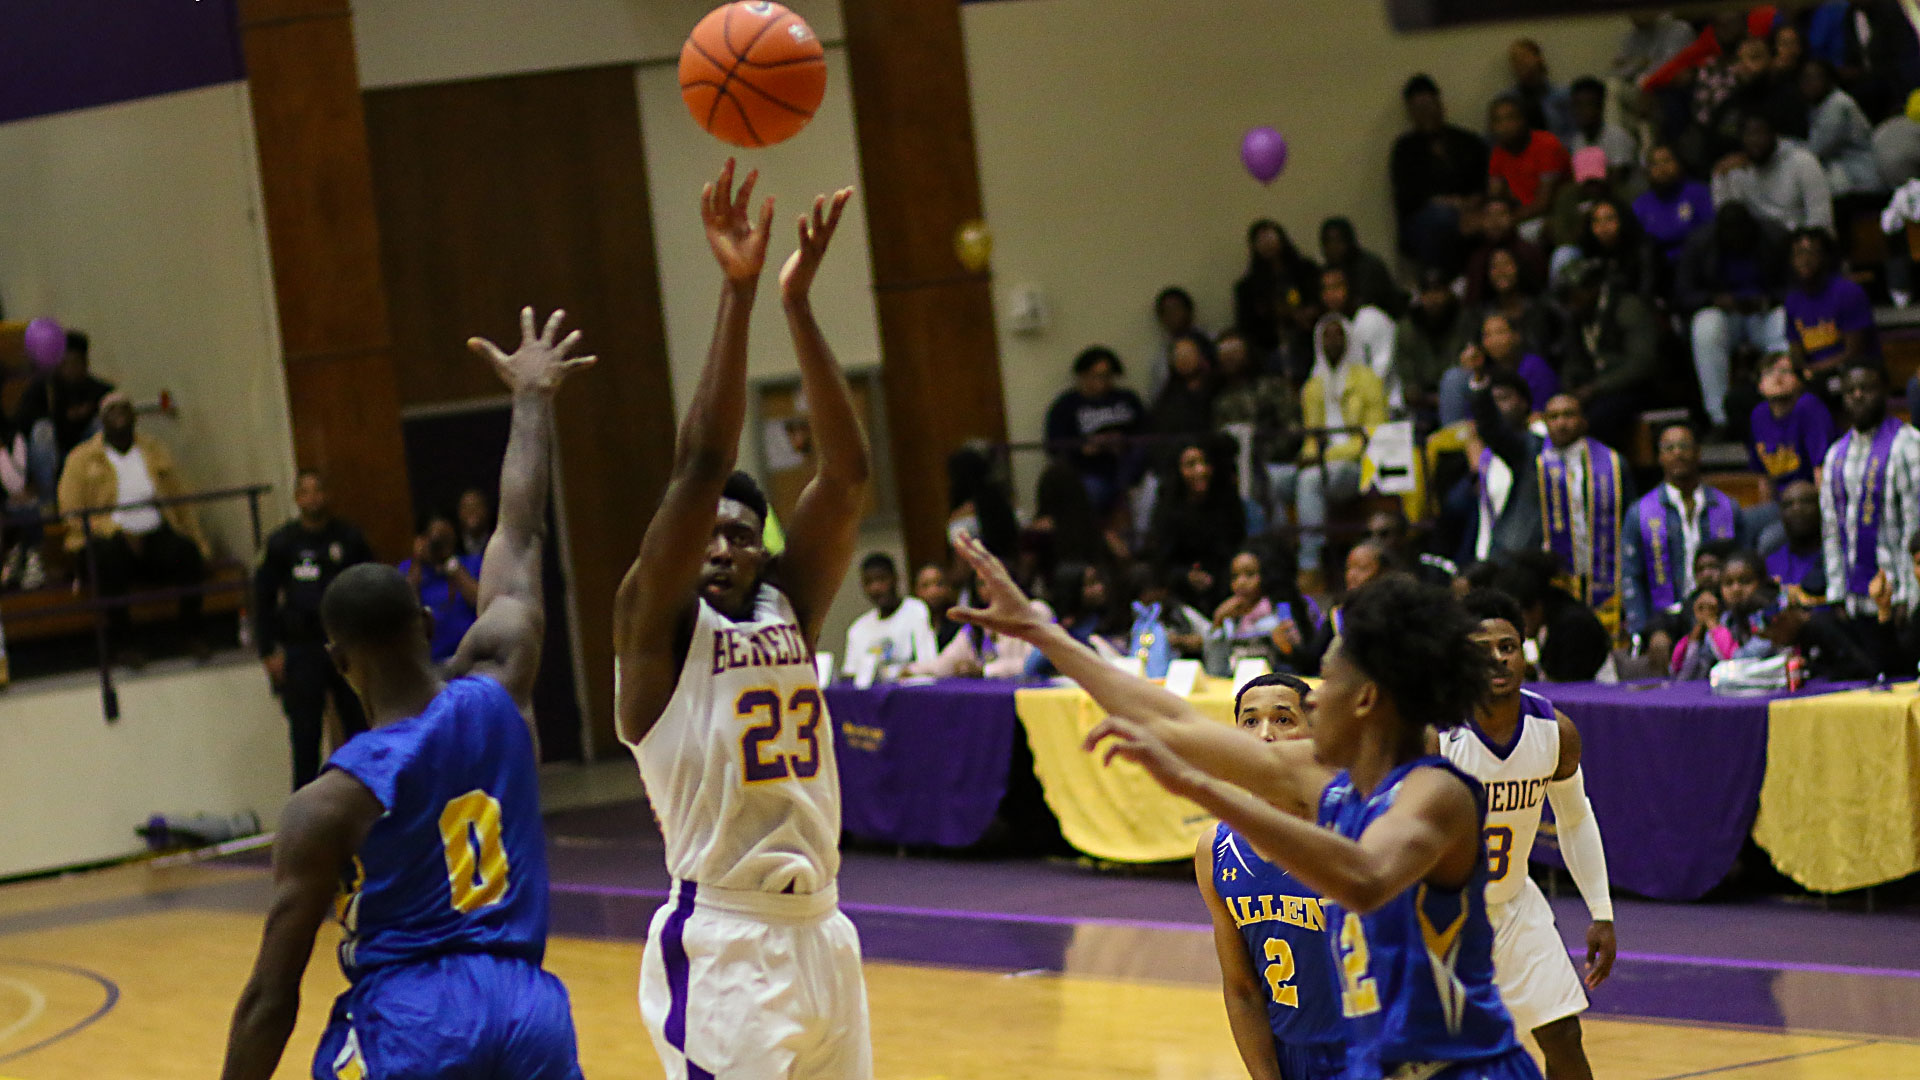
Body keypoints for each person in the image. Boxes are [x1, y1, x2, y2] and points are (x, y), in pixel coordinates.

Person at [940, 540, 1538, 1080]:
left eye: (1324, 682)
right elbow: (1169, 718)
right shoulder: (1319, 781)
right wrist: (1046, 636)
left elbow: (1365, 877)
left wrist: (1198, 785)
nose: (1314, 697)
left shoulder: (1435, 792)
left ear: (1367, 700)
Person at [219, 306, 594, 1080]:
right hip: (528, 1007)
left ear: (337, 660)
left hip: (416, 1020)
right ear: (427, 620)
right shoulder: (502, 683)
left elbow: (270, 996)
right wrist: (531, 399)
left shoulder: (330, 802)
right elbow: (520, 535)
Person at [610, 166, 873, 1079]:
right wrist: (740, 290)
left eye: (739, 531)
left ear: (762, 550)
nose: (718, 545)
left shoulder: (787, 604)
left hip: (826, 931)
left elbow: (845, 477)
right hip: (724, 939)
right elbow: (702, 461)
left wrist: (799, 307)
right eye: (705, 534)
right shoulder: (655, 627)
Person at [1440, 589, 1614, 1080]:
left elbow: (1575, 818)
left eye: (1507, 646)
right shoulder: (1437, 734)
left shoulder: (1555, 732)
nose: (1497, 659)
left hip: (1516, 905)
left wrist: (1601, 911)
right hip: (1444, 916)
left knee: (1563, 1035)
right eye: (1481, 650)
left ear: (1525, 649)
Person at [1195, 673, 1347, 1080]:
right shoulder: (1216, 850)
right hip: (1288, 1057)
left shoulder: (1354, 829)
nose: (1265, 735)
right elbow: (1242, 988)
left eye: (1283, 720)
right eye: (1250, 721)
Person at [57, 391, 209, 664]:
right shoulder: (81, 459)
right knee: (108, 556)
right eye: (112, 409)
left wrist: (197, 540)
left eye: (125, 408)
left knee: (187, 553)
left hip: (152, 534)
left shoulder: (154, 451)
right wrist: (115, 529)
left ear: (134, 416)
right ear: (101, 419)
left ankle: (191, 635)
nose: (119, 414)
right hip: (105, 540)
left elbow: (180, 500)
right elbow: (71, 513)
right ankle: (124, 643)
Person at [255, 469, 375, 790]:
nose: (312, 497)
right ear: (297, 498)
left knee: (359, 727)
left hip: (345, 645)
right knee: (305, 735)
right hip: (302, 647)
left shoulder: (349, 538)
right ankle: (306, 810)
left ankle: (369, 798)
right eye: (304, 491)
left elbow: (370, 586)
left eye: (317, 490)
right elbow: (262, 599)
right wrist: (268, 650)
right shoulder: (283, 543)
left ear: (327, 494)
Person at [1271, 315, 1388, 578]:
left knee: (1310, 480)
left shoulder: (1368, 380)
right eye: (1326, 335)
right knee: (1273, 478)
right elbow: (1312, 437)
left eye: (1338, 335)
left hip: (1358, 466)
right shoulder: (1313, 386)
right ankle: (1278, 558)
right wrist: (1311, 455)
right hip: (1321, 463)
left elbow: (1373, 436)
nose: (1332, 341)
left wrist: (1323, 458)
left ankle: (1310, 566)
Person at [1622, 423, 1752, 637]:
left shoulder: (1727, 506)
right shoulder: (1640, 513)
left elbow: (1745, 563)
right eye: (1669, 448)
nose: (1678, 453)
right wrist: (1642, 632)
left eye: (1684, 446)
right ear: (1659, 457)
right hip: (1666, 617)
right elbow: (1631, 577)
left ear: (1698, 453)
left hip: (1723, 614)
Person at [1678, 202, 1792, 431]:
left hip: (1764, 313)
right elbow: (1682, 294)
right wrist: (1714, 300)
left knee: (1784, 321)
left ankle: (1784, 405)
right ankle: (1720, 418)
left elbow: (1796, 286)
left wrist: (1768, 299)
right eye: (1730, 233)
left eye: (1741, 231)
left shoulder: (1775, 236)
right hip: (1725, 316)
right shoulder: (1700, 242)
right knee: (1705, 325)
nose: (1736, 238)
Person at [1821, 363, 1920, 621]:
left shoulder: (1909, 445)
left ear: (1885, 392)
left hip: (1900, 595)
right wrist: (1837, 593)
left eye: (1866, 388)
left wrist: (1910, 594)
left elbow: (1915, 525)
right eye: (1850, 390)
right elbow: (1831, 529)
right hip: (1856, 598)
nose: (1857, 396)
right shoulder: (1835, 455)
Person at [1536, 394, 1632, 633]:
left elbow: (1629, 522)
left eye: (1568, 415)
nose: (1561, 423)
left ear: (1583, 421)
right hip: (1556, 576)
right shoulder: (1535, 464)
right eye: (1553, 417)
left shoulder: (1613, 463)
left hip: (1605, 573)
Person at [1391, 74, 1491, 275]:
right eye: (1418, 108)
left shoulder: (1467, 141)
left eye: (1429, 105)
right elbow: (1408, 196)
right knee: (1443, 220)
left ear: (1439, 104)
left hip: (1473, 209)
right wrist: (1451, 206)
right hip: (1425, 219)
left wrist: (1472, 203)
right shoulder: (1405, 149)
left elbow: (1485, 179)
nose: (1425, 113)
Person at [1557, 258, 1659, 450]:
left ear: (1592, 288)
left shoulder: (1627, 307)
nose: (1570, 302)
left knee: (1598, 420)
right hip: (1595, 390)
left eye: (1573, 294)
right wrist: (1570, 386)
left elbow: (1642, 363)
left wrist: (1596, 387)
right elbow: (1572, 359)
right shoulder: (1577, 316)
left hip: (1634, 388)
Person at [13, 329, 114, 510]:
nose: (71, 369)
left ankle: (102, 493)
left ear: (85, 364)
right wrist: (61, 416)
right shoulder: (42, 389)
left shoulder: (99, 390)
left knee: (102, 423)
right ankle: (48, 501)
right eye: (65, 363)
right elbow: (23, 423)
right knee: (42, 430)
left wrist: (88, 413)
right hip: (51, 459)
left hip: (82, 456)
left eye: (76, 363)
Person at [1044, 346, 1147, 516]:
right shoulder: (1066, 406)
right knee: (1089, 495)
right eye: (1097, 376)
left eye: (1108, 375)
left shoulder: (1128, 399)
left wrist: (1123, 442)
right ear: (1083, 376)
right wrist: (1085, 448)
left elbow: (1146, 432)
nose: (1103, 381)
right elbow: (1054, 446)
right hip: (1090, 473)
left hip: (1131, 469)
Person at [1146, 439, 1247, 613]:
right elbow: (1161, 561)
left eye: (1205, 463)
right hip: (1180, 587)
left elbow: (1235, 547)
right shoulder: (1167, 510)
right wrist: (1186, 576)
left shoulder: (1227, 502)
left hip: (1224, 582)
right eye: (1191, 465)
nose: (1200, 470)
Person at [1785, 227, 1876, 401]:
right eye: (1798, 254)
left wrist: (1813, 371)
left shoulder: (1848, 292)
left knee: (1814, 392)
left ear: (1825, 257)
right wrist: (1801, 372)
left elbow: (1854, 352)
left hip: (1852, 370)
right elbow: (1796, 351)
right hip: (1814, 376)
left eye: (1810, 253)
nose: (1804, 260)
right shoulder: (1792, 300)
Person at [1711, 113, 1835, 234]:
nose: (1755, 141)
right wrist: (1719, 176)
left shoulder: (1803, 161)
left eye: (1760, 133)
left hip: (1797, 241)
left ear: (1774, 134)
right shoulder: (1736, 169)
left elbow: (1821, 219)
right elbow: (1727, 216)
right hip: (1758, 243)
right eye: (1749, 135)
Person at [1442, 312, 1559, 425]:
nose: (1495, 340)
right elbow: (1473, 418)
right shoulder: (1484, 370)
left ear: (1516, 336)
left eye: (1500, 332)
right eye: (1488, 335)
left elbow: (1542, 412)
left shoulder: (1535, 366)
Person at [1394, 267, 1476, 425]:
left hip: (1461, 399)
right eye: (1427, 292)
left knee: (1454, 380)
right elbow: (1408, 384)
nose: (1433, 298)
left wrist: (1448, 396)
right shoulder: (1407, 328)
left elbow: (1468, 369)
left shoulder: (1464, 321)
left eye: (1438, 291)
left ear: (1449, 293)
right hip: (1422, 404)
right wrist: (1427, 398)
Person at [399, 513, 482, 664]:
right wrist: (417, 562)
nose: (439, 545)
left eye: (445, 538)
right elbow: (405, 613)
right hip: (431, 661)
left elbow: (480, 602)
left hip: (471, 658)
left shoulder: (471, 563)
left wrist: (452, 566)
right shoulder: (408, 570)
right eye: (435, 540)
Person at [842, 552, 937, 682]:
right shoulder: (857, 629)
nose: (875, 588)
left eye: (881, 579)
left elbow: (928, 664)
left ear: (895, 579)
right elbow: (850, 676)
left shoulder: (916, 610)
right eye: (869, 582)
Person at [1235, 219, 1322, 361]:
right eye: (1261, 240)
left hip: (1310, 336)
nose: (1267, 244)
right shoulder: (1248, 288)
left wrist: (1309, 312)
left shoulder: (1306, 270)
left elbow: (1319, 299)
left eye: (1270, 237)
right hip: (1271, 346)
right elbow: (1248, 326)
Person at [1488, 94, 1571, 241]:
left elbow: (1544, 203)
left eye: (1510, 118)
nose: (1504, 126)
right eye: (1497, 121)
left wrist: (1507, 220)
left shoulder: (1546, 144)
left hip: (1554, 213)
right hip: (1520, 215)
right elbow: (1495, 196)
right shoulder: (1498, 152)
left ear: (1523, 120)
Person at [1749, 353, 1836, 492]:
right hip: (1781, 504)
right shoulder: (1758, 415)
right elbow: (1763, 477)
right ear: (1760, 385)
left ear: (1799, 381)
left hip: (1808, 498)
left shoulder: (1809, 407)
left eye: (1785, 371)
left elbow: (1821, 469)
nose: (1777, 378)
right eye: (1768, 373)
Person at [1802, 58, 1886, 196]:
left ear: (1830, 79)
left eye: (1815, 77)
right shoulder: (1817, 106)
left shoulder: (1838, 104)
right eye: (1805, 78)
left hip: (1861, 179)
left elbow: (1817, 150)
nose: (1809, 83)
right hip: (1846, 177)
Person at [1319, 265, 1399, 410]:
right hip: (1344, 409)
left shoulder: (1371, 318)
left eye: (1337, 287)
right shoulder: (1325, 327)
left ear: (1350, 288)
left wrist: (1354, 396)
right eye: (1326, 289)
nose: (1332, 295)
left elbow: (1382, 370)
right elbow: (1321, 372)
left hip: (1384, 404)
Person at [1634, 143, 1717, 266]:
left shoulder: (1698, 193)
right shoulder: (1640, 205)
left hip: (1696, 263)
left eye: (1667, 161)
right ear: (1647, 171)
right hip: (1658, 267)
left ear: (1679, 164)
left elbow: (1710, 230)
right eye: (1655, 164)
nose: (1662, 168)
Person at [1466, 196, 1551, 308]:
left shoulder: (1529, 253)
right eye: (1489, 215)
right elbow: (1473, 302)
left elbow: (1541, 294)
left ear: (1513, 217)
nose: (1495, 221)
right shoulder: (1478, 258)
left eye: (1501, 214)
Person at [1319, 217, 1405, 317]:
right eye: (1328, 242)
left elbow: (1367, 305)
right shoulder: (1328, 270)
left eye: (1338, 241)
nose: (1333, 247)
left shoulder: (1369, 266)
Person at [1566, 76, 1638, 180]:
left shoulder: (1617, 136)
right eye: (1578, 105)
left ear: (1600, 107)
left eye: (1589, 104)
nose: (1582, 111)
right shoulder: (1577, 141)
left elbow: (1619, 178)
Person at [1150, 331, 1218, 439]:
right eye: (1178, 355)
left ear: (1203, 356)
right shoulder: (1166, 399)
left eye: (1188, 353)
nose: (1183, 358)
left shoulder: (1218, 388)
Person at [1508, 39, 1576, 144]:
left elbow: (1576, 133)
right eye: (1515, 59)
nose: (1520, 62)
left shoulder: (1562, 96)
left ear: (1538, 58)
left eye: (1525, 56)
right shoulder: (1508, 101)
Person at [1768, 478, 1829, 595]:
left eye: (1806, 502)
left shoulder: (1836, 559)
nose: (1797, 509)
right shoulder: (1770, 563)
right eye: (1788, 505)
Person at [1149, 286, 1201, 398]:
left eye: (1176, 308)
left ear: (1189, 310)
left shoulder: (1212, 341)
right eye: (1166, 311)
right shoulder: (1161, 360)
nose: (1173, 315)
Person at [911, 562, 963, 652]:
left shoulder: (959, 624)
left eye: (939, 584)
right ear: (916, 591)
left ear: (948, 587)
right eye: (925, 585)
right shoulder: (911, 625)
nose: (933, 591)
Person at [457, 487, 493, 557]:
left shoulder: (498, 542)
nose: (472, 511)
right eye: (466, 508)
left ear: (486, 510)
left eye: (476, 506)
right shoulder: (454, 547)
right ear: (459, 513)